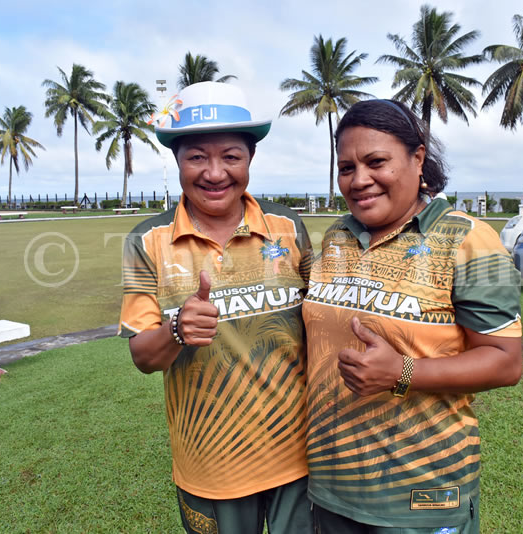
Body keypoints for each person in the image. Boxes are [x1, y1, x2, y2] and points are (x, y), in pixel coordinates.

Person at [302, 99, 523, 533]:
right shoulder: (337, 236)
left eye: (376, 162)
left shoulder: (468, 238)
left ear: (417, 158)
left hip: (420, 495)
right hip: (331, 488)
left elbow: (505, 361)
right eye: (346, 168)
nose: (359, 180)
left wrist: (402, 371)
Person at [118, 81, 314, 534]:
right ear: (177, 160)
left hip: (299, 458)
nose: (214, 172)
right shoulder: (146, 240)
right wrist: (176, 330)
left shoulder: (287, 226)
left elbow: (320, 320)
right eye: (197, 157)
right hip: (210, 464)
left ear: (250, 159)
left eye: (230, 156)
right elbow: (142, 357)